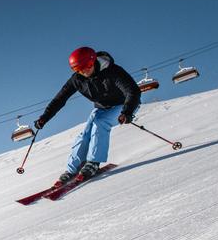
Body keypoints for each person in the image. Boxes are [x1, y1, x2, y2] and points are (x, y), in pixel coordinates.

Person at [34, 46, 141, 185]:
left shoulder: (112, 71)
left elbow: (133, 91)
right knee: (85, 134)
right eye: (78, 70)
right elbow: (60, 99)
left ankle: (93, 162)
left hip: (124, 104)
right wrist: (44, 117)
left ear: (93, 61)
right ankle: (73, 169)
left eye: (87, 66)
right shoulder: (77, 79)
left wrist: (127, 112)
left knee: (100, 123)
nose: (84, 72)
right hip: (102, 108)